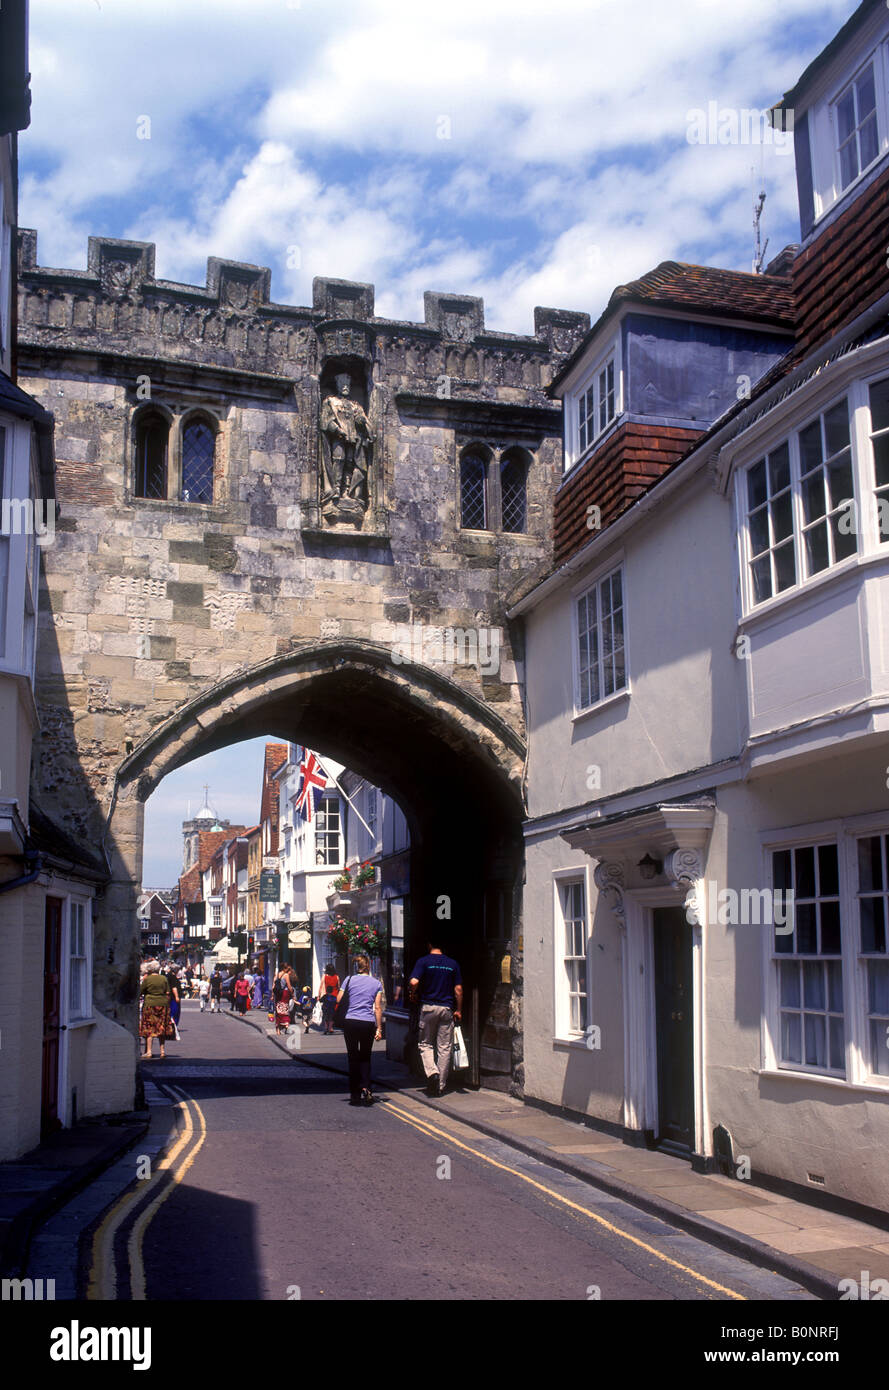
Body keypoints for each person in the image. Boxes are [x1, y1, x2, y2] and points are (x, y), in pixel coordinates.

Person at [409, 939, 463, 1097]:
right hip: (447, 1009)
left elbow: (414, 981)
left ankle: (432, 1073)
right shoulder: (453, 964)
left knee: (425, 1044)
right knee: (444, 1048)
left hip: (428, 1008)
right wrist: (458, 1010)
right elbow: (458, 990)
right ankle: (439, 1086)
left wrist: (413, 993)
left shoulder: (423, 961)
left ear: (429, 945)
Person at [336, 954, 383, 1106]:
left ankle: (355, 1093)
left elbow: (338, 999)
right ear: (368, 966)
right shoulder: (376, 983)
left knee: (353, 1057)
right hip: (367, 1023)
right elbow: (377, 1007)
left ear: (357, 966)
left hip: (351, 1021)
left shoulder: (349, 980)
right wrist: (379, 1028)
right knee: (365, 1057)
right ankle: (367, 1088)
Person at [140, 961, 172, 1060]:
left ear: (150, 969)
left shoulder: (147, 979)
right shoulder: (164, 978)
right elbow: (167, 992)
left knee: (149, 1028)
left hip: (150, 1004)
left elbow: (141, 991)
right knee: (161, 1027)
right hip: (163, 1004)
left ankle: (149, 1051)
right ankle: (162, 1051)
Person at [320, 964, 340, 1035]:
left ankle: (326, 1027)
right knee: (332, 1013)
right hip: (334, 997)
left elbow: (321, 986)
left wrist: (319, 996)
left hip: (327, 997)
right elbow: (338, 987)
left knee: (326, 1013)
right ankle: (330, 1028)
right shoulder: (337, 977)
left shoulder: (324, 976)